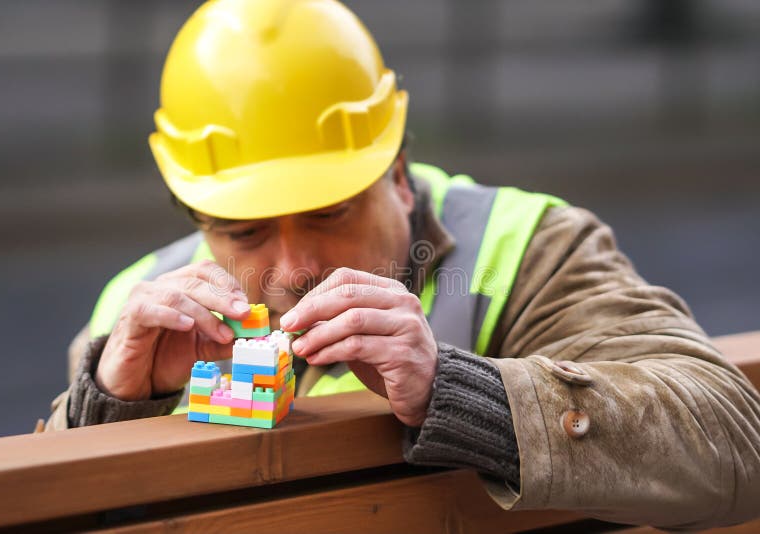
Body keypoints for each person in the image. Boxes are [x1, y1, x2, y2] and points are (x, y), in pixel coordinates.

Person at [43, 0, 760, 528]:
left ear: (397, 173)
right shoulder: (133, 310)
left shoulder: (529, 245)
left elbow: (732, 441)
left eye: (330, 213)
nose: (293, 269)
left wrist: (461, 392)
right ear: (199, 216)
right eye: (246, 230)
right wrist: (108, 408)